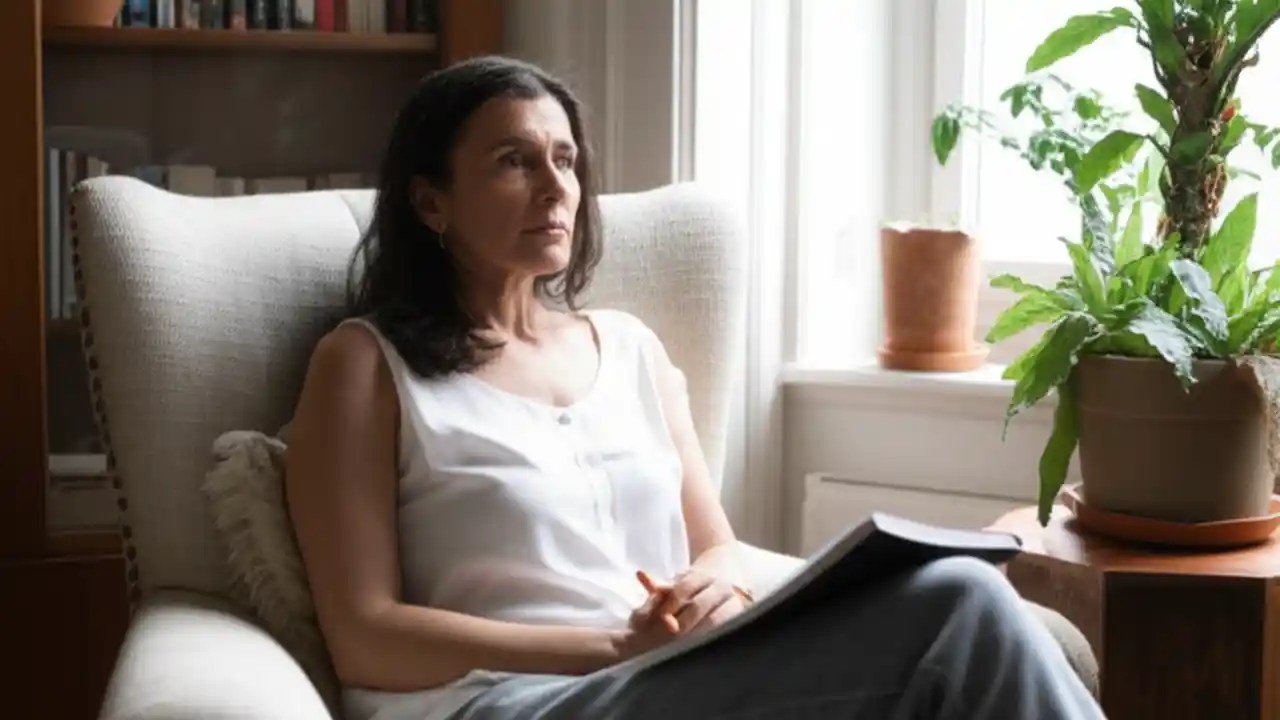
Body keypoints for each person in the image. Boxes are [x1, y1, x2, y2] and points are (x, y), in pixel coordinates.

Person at [284, 55, 1104, 720]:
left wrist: (721, 585)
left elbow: (719, 546)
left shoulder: (632, 350)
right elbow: (366, 636)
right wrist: (612, 649)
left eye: (565, 159)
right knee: (956, 612)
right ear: (430, 199)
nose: (554, 185)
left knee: (956, 586)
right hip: (505, 700)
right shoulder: (365, 365)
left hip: (669, 676)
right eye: (513, 161)